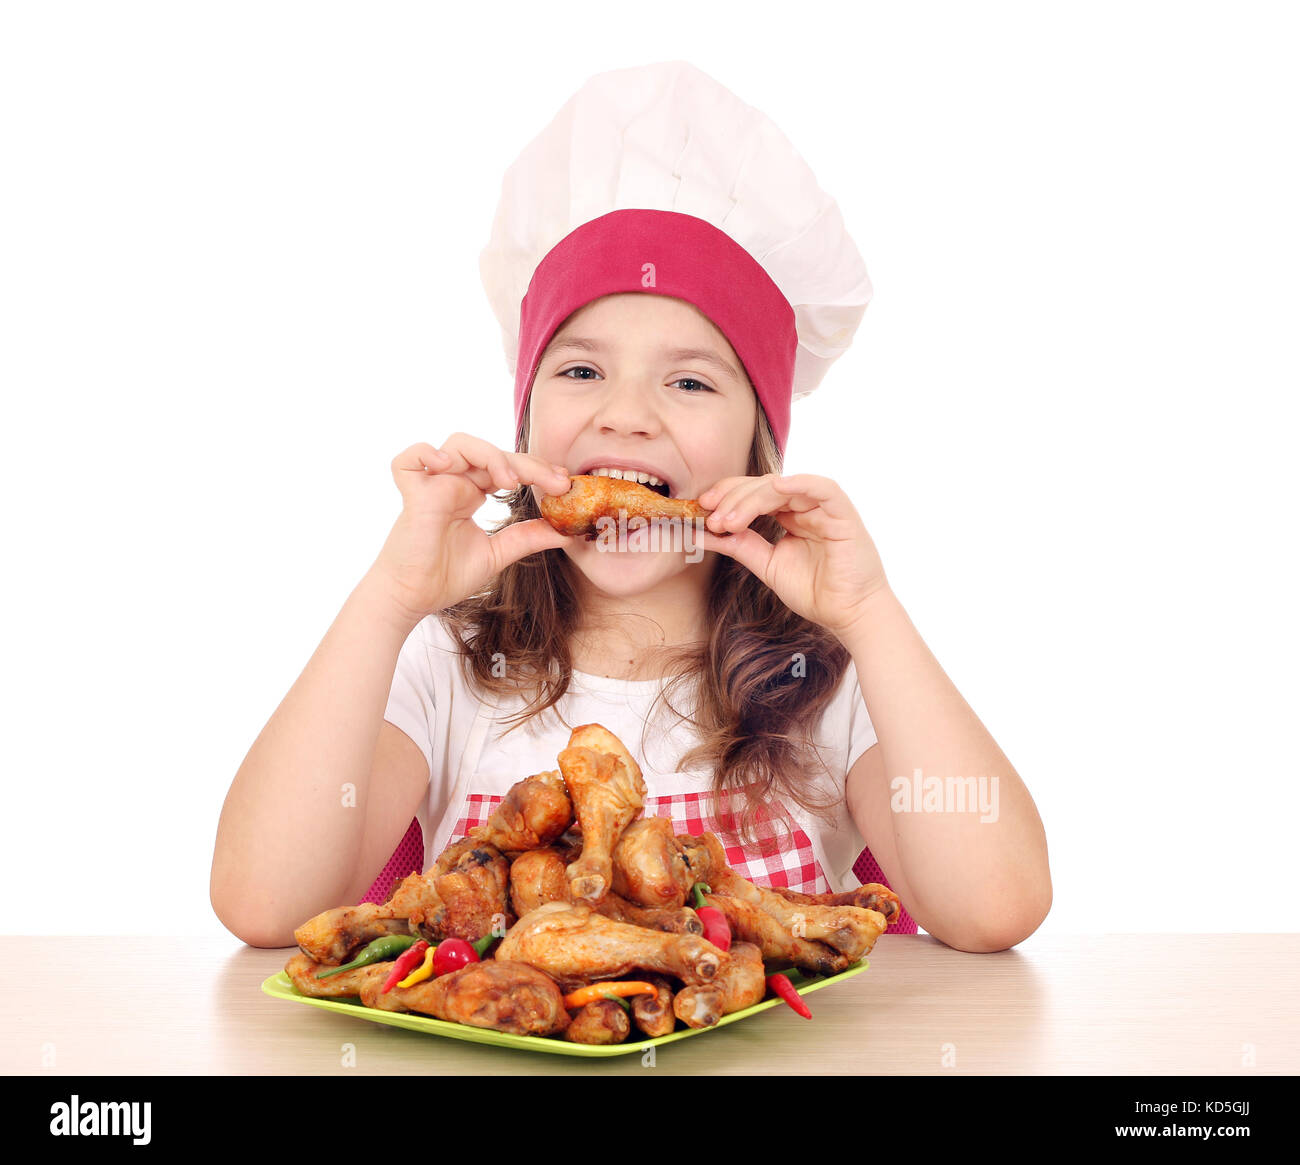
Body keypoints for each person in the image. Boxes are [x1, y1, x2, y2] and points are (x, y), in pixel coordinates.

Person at [211, 61, 1051, 952]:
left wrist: (871, 615)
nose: (627, 414)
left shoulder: (827, 681)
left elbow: (996, 907)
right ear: (527, 422)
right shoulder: (449, 665)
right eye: (581, 370)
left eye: (689, 380)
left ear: (757, 450)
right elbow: (265, 902)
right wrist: (387, 599)